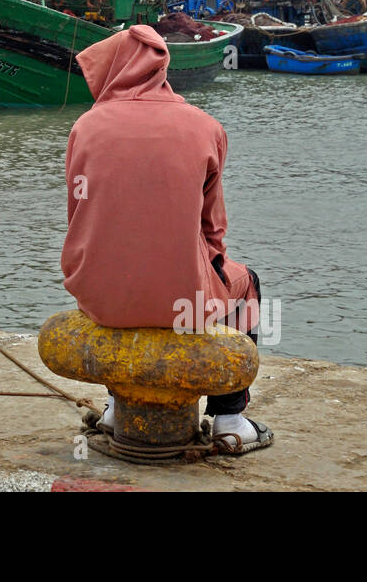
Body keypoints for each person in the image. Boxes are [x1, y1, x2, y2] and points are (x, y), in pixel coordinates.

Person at [60, 25, 272, 453]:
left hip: (102, 298)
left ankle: (116, 405)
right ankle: (230, 417)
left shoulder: (84, 128)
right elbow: (213, 232)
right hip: (183, 303)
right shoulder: (206, 127)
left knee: (114, 271)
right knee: (246, 283)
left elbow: (80, 221)